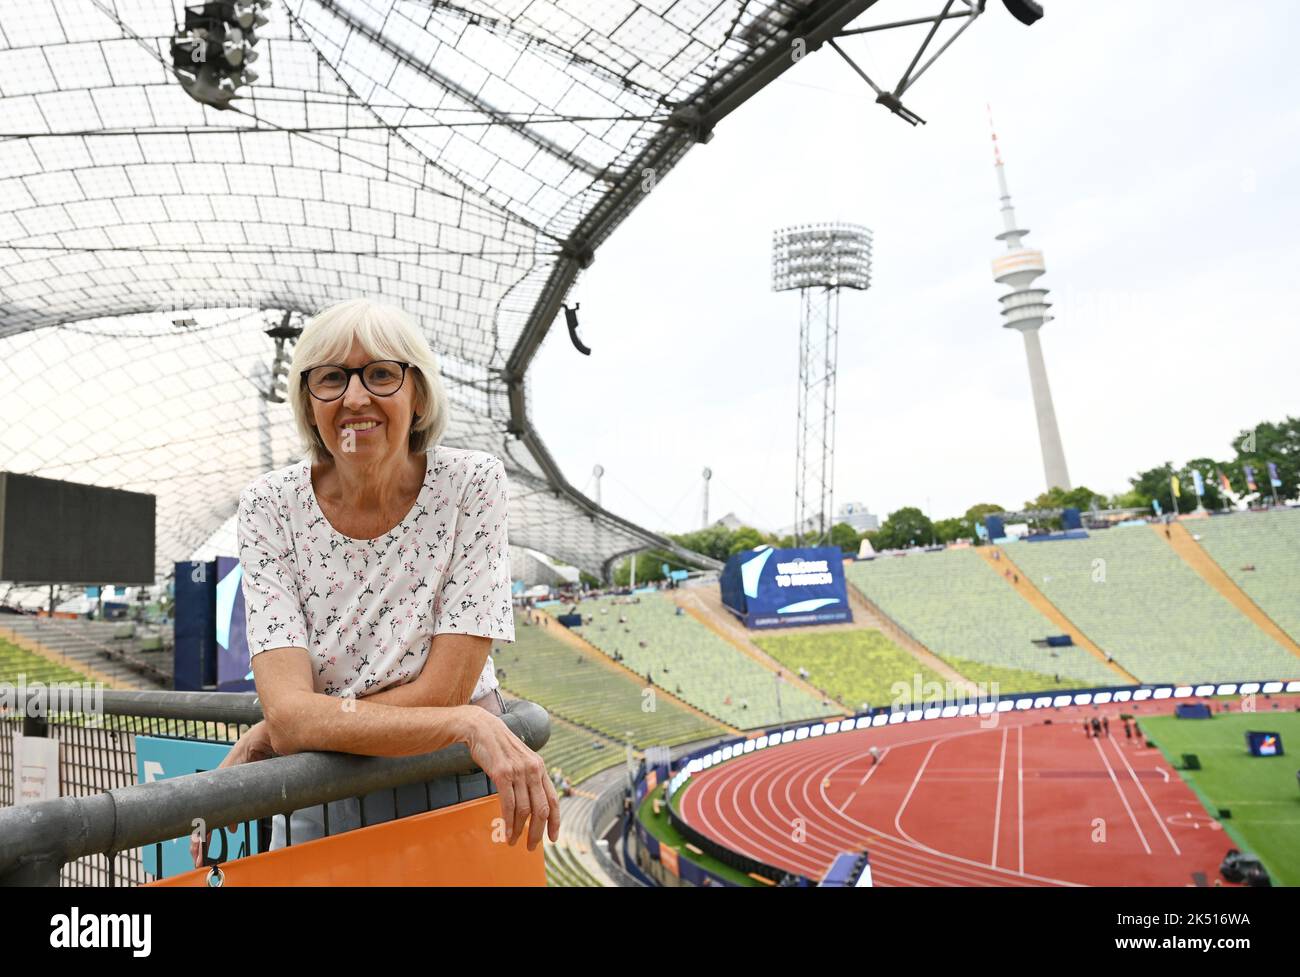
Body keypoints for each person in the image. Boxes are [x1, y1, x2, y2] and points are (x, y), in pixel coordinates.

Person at [196, 299, 559, 867]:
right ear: (308, 400)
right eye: (332, 378)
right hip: (322, 785)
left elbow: (443, 692)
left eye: (382, 374)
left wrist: (301, 723)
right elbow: (292, 716)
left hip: (449, 778)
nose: (355, 398)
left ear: (418, 394)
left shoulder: (470, 484)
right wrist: (460, 722)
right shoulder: (269, 506)